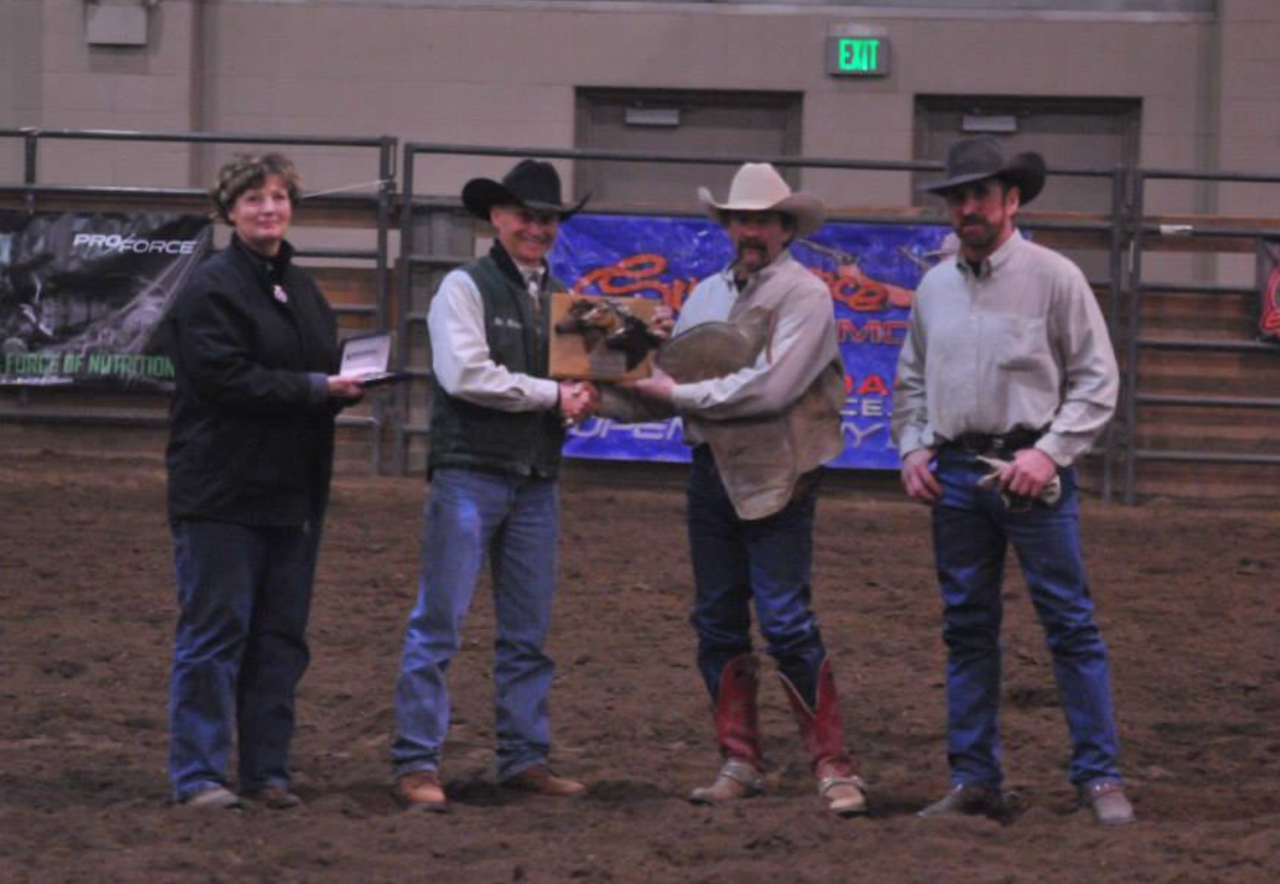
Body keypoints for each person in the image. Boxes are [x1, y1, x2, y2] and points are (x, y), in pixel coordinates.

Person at [891, 135, 1135, 826]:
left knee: (1069, 623)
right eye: (958, 197)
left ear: (1011, 200)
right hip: (959, 473)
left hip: (1031, 472)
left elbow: (1097, 379)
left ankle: (1098, 775)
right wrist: (912, 449)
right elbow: (912, 376)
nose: (967, 207)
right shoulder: (934, 285)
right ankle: (975, 779)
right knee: (967, 628)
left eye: (980, 195)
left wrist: (1049, 453)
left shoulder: (1054, 277)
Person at [621, 163, 867, 817]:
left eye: (761, 219)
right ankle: (746, 761)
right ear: (729, 226)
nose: (750, 230)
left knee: (784, 619)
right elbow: (672, 382)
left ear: (785, 227)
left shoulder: (805, 296)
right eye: (741, 219)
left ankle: (830, 766)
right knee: (719, 619)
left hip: (779, 471)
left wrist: (673, 395)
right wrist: (604, 395)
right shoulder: (706, 296)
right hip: (716, 469)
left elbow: (773, 388)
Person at [392, 159, 597, 811]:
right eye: (525, 216)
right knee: (440, 622)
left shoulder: (565, 300)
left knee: (525, 630)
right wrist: (556, 395)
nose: (536, 228)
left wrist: (597, 390)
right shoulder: (464, 286)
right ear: (498, 218)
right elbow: (465, 376)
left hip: (533, 477)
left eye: (546, 219)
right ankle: (418, 761)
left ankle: (522, 756)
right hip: (470, 472)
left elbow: (576, 385)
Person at [165, 153, 364, 810]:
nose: (268, 208)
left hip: (291, 491)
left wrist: (345, 383)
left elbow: (316, 371)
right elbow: (226, 379)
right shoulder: (210, 288)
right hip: (222, 492)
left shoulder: (301, 290)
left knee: (280, 637)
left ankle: (266, 771)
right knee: (216, 633)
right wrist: (316, 388)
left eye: (278, 197)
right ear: (229, 212)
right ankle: (197, 773)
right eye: (253, 199)